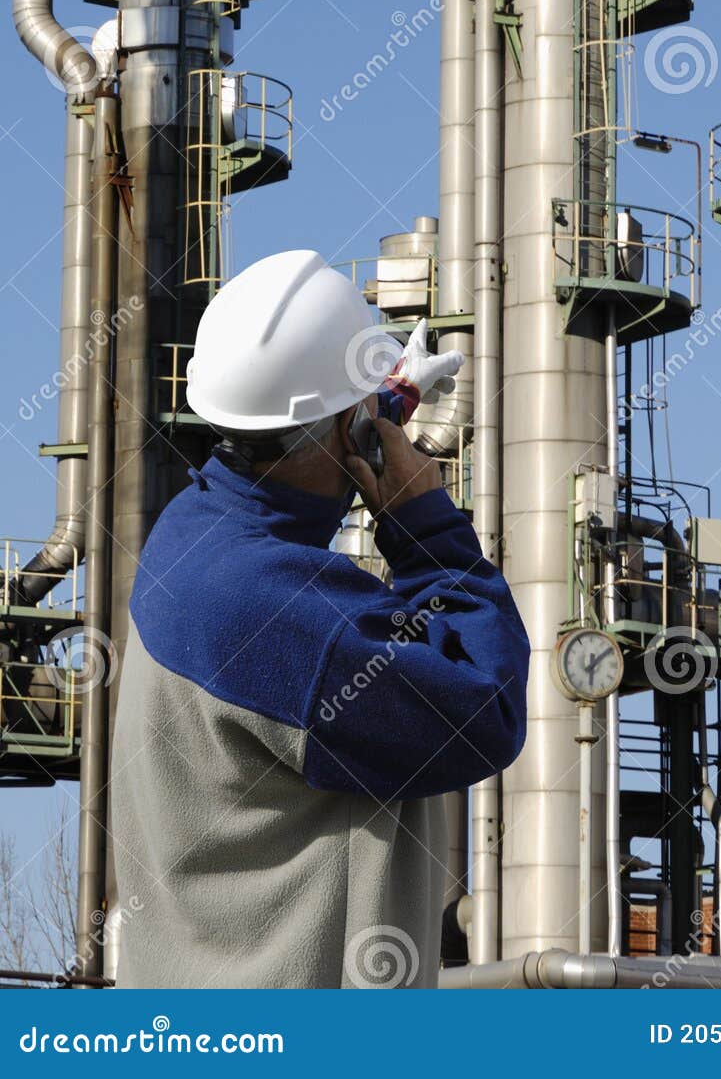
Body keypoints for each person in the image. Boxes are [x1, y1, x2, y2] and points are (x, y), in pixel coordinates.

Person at [110, 250, 529, 989]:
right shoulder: (279, 613)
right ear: (345, 432)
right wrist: (425, 528)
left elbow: (293, 461)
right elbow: (483, 711)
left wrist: (381, 406)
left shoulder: (192, 536)